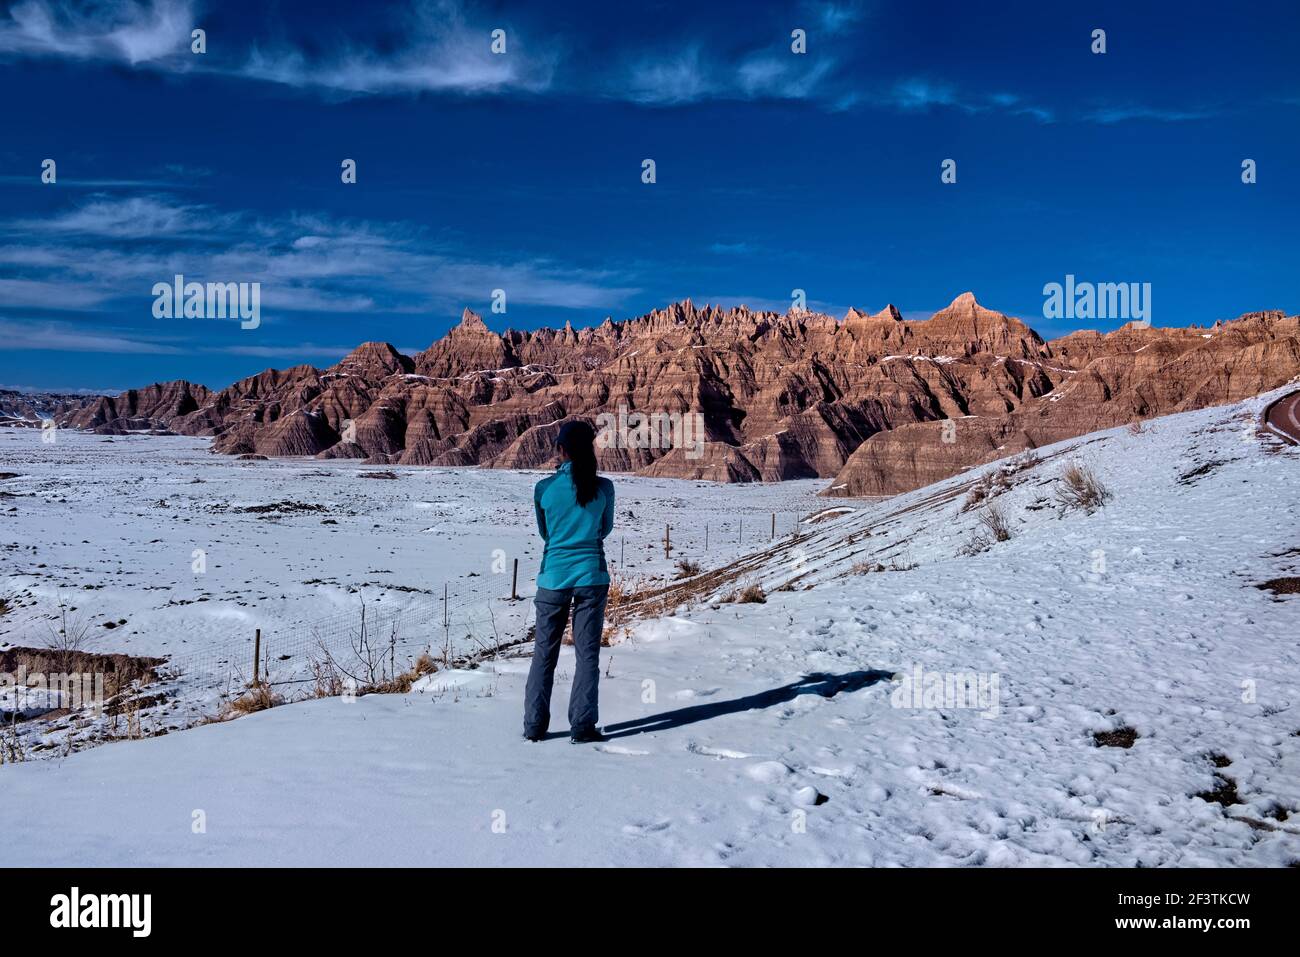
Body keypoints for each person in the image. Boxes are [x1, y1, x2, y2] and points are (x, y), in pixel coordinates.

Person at [523, 420, 615, 743]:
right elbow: (603, 530)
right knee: (587, 654)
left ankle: (534, 727)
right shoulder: (603, 488)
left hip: (553, 579)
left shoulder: (544, 489)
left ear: (561, 450)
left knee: (543, 655)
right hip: (591, 575)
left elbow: (545, 533)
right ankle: (582, 726)